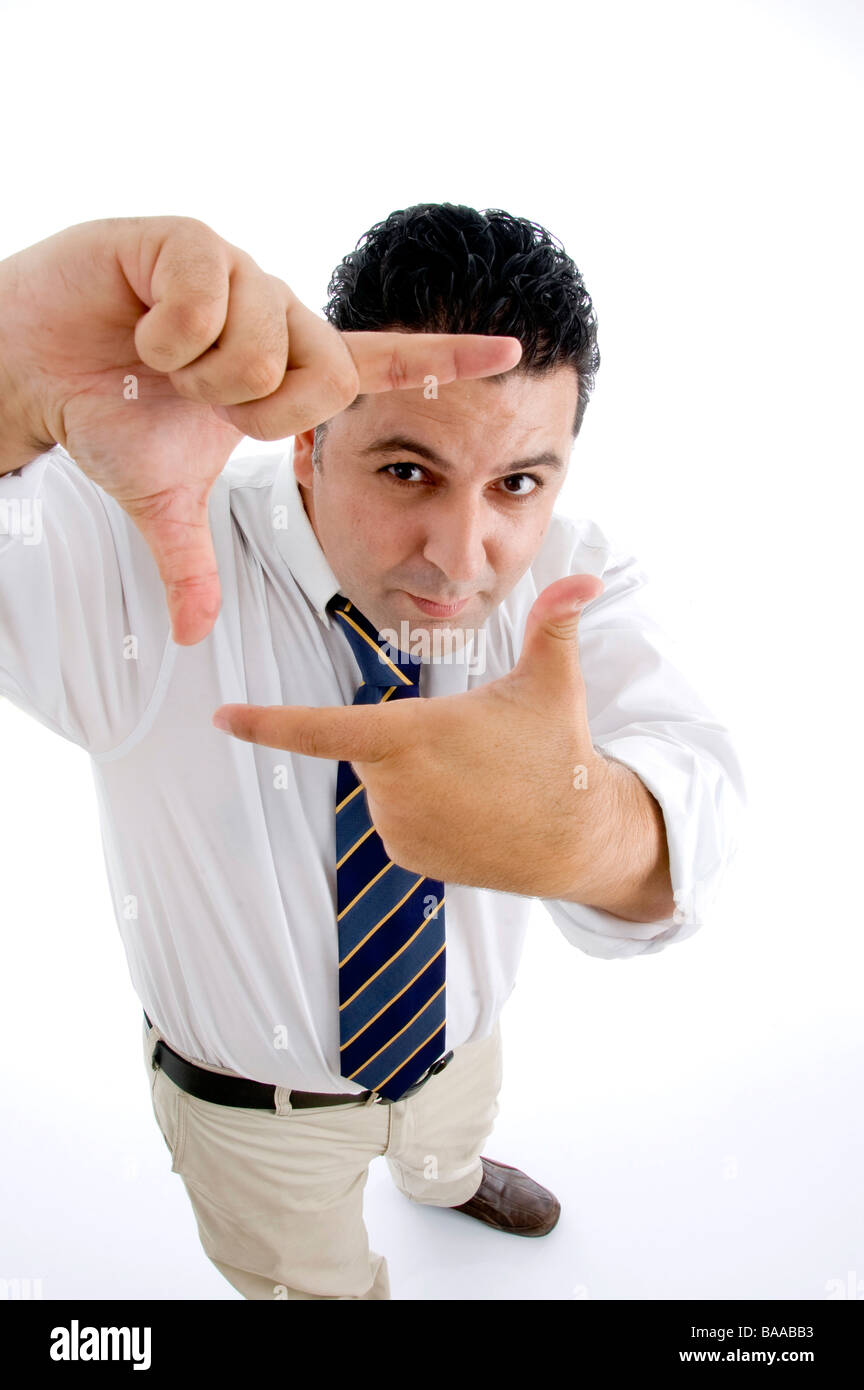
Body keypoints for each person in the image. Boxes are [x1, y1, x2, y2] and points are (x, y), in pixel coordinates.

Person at [0, 203, 745, 1300]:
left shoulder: (571, 581)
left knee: (446, 1139)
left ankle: (443, 1177)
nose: (461, 555)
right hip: (258, 1114)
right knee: (310, 1286)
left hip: (458, 1051)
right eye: (406, 472)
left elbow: (697, 790)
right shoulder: (144, 546)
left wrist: (583, 828)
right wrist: (6, 376)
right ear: (308, 439)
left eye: (518, 484)